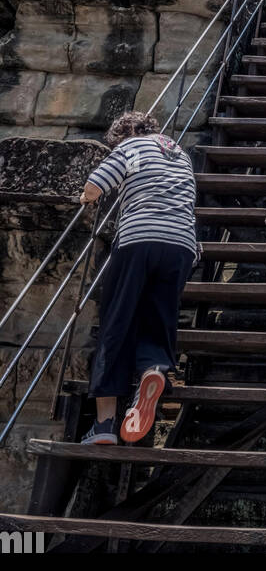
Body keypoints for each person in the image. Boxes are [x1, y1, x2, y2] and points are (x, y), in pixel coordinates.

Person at [77, 112, 200, 447]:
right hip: (181, 246)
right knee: (158, 319)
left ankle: (104, 425)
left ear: (124, 133)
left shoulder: (130, 147)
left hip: (139, 239)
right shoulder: (180, 152)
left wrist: (84, 198)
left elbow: (95, 186)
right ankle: (154, 370)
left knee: (116, 322)